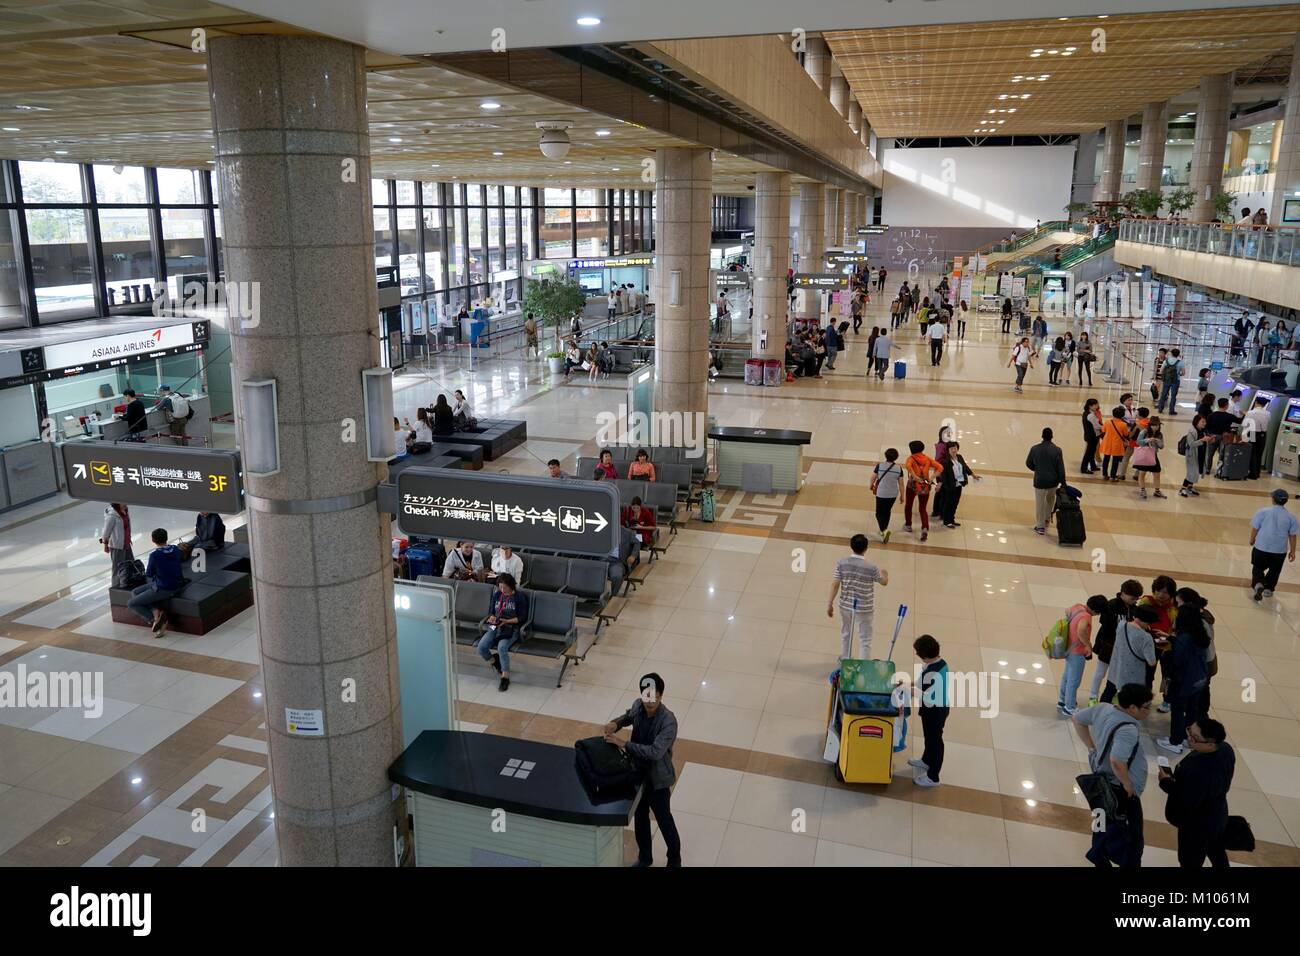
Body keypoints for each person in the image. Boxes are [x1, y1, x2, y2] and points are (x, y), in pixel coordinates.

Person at [1073, 684, 1154, 868]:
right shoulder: (1128, 729)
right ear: (1132, 707)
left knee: (1101, 824)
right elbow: (1117, 761)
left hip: (1101, 785)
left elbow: (1077, 719)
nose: (1149, 711)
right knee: (1133, 838)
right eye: (1146, 707)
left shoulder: (1103, 708)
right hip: (1119, 789)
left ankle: (1099, 859)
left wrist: (1092, 747)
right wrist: (1128, 785)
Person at [605, 673, 681, 867]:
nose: (649, 701)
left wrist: (624, 744)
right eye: (646, 696)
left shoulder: (668, 721)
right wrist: (616, 723)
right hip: (637, 772)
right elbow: (629, 716)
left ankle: (674, 859)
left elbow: (655, 752)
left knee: (664, 820)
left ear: (661, 696)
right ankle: (645, 858)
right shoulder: (639, 705)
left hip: (658, 778)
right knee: (640, 817)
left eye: (654, 696)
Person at [1158, 717, 1235, 869]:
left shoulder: (1201, 769)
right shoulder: (1225, 749)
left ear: (1211, 743)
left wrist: (1166, 782)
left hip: (1196, 824)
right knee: (1216, 849)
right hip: (1217, 814)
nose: (1189, 738)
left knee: (1190, 859)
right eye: (1189, 731)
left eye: (1195, 737)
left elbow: (1187, 799)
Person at [1157, 587, 1212, 755]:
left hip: (1183, 680)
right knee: (1192, 709)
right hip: (1198, 678)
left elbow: (1177, 660)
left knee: (1178, 710)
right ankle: (1189, 737)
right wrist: (1172, 638)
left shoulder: (1185, 638)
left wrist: (1168, 650)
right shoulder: (1200, 634)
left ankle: (1175, 741)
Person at [827, 533, 888, 660]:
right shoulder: (871, 567)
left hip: (845, 606)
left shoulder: (842, 563)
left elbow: (835, 584)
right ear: (866, 548)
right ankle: (863, 666)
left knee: (846, 633)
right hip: (865, 608)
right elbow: (883, 582)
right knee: (865, 639)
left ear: (851, 546)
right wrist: (885, 574)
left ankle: (845, 659)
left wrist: (830, 603)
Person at [1089, 579, 1143, 706]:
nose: (1135, 600)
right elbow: (1105, 624)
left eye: (1137, 598)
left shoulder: (1135, 609)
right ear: (1123, 593)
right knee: (1100, 672)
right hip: (1108, 645)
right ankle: (1092, 696)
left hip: (1124, 648)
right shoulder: (1111, 605)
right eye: (1133, 597)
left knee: (1118, 674)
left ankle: (1114, 695)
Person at [127, 528, 183, 637]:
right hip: (177, 582)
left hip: (164, 587)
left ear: (153, 540)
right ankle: (156, 611)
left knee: (131, 603)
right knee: (135, 591)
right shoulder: (175, 549)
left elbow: (149, 573)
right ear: (166, 537)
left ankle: (155, 621)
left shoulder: (155, 555)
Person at [909, 634, 948, 788]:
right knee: (928, 737)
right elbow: (920, 684)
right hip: (931, 709)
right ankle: (926, 761)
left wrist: (909, 690)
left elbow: (927, 697)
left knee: (935, 741)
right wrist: (909, 684)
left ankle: (933, 777)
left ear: (924, 656)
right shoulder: (940, 663)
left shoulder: (934, 674)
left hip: (936, 711)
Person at [1100, 603, 1159, 703]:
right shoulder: (1146, 637)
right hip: (1133, 675)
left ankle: (1101, 714)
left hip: (1116, 669)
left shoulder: (1121, 625)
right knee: (1130, 702)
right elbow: (1151, 662)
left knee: (1108, 693)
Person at [1058, 596, 1106, 716]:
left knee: (1067, 676)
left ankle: (1062, 700)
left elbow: (1067, 612)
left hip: (1068, 647)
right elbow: (1081, 631)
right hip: (1077, 651)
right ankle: (1069, 707)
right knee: (1074, 680)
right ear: (1096, 611)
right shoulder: (1086, 616)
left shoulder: (1077, 607)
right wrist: (1088, 645)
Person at [1249, 487, 1298, 601]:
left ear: (1273, 499)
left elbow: (1255, 528)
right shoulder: (1291, 517)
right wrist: (1293, 551)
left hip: (1261, 546)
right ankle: (1268, 589)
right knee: (1275, 570)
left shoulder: (1263, 512)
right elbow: (1292, 535)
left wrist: (1252, 539)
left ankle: (1258, 584)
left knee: (1257, 567)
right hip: (1279, 551)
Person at [1026, 427, 1065, 535]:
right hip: (1053, 481)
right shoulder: (1057, 450)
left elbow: (1028, 463)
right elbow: (1060, 467)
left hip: (1039, 480)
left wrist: (1037, 469)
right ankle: (1047, 519)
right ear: (1052, 436)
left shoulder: (1035, 449)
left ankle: (1040, 526)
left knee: (1040, 503)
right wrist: (1063, 481)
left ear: (1042, 436)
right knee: (1050, 500)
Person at [902, 440, 942, 543]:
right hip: (925, 485)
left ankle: (908, 525)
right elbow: (940, 467)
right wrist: (932, 477)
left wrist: (914, 476)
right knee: (922, 508)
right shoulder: (927, 459)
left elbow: (908, 466)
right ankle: (924, 527)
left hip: (912, 485)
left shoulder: (911, 458)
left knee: (909, 505)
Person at [934, 440, 975, 529]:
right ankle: (946, 521)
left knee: (955, 503)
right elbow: (943, 475)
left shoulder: (959, 457)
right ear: (948, 450)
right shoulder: (945, 461)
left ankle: (952, 519)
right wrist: (940, 484)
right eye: (951, 448)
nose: (954, 450)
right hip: (949, 485)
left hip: (959, 484)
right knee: (948, 503)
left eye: (955, 448)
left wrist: (973, 475)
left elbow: (965, 466)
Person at [871, 448, 904, 542]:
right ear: (896, 457)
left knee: (878, 513)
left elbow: (873, 477)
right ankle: (884, 529)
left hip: (881, 493)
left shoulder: (880, 466)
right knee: (887, 511)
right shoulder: (899, 469)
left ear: (886, 455)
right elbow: (901, 484)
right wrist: (902, 495)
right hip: (893, 494)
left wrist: (871, 485)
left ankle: (883, 530)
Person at [100, 503, 134, 589]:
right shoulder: (112, 516)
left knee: (131, 564)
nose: (126, 503)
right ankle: (115, 588)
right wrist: (105, 544)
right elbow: (106, 531)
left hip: (126, 543)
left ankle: (129, 583)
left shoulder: (125, 510)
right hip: (117, 546)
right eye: (124, 502)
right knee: (118, 568)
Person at [1179, 414, 1213, 497]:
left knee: (1196, 472)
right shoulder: (1192, 431)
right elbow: (1191, 444)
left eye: (1205, 422)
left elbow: (1205, 441)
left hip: (1201, 454)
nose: (1204, 423)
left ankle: (1190, 487)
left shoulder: (1203, 431)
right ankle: (1182, 489)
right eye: (1202, 422)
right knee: (1192, 472)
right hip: (1192, 455)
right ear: (1196, 422)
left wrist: (1210, 439)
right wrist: (1202, 440)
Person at [1132, 415, 1166, 500]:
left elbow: (1162, 446)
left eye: (1157, 425)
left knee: (1157, 473)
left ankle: (1157, 491)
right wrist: (1147, 440)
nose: (1156, 427)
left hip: (1153, 455)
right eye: (1154, 425)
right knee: (1142, 473)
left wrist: (1158, 442)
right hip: (1145, 455)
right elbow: (1138, 442)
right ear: (1150, 425)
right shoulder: (1144, 432)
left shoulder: (1159, 434)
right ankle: (1142, 490)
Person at [1098, 404, 1130, 482]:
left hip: (1107, 443)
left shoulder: (1107, 422)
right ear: (1122, 415)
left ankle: (1104, 475)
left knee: (1106, 459)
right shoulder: (1123, 424)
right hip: (1117, 444)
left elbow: (1103, 431)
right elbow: (1125, 434)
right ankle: (1113, 476)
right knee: (1115, 461)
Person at [1245, 395, 1272, 480]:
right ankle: (1257, 472)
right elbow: (1268, 421)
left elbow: (1246, 423)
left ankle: (1253, 474)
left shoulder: (1250, 412)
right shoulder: (1268, 413)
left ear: (1256, 402)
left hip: (1252, 432)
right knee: (1259, 453)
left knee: (1252, 453)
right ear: (1264, 405)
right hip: (1263, 434)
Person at [1156, 347, 1184, 415]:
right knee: (1173, 396)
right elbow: (1183, 373)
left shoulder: (1166, 361)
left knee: (1163, 394)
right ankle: (1171, 410)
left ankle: (1160, 408)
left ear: (1171, 354)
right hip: (1175, 381)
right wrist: (1178, 373)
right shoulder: (1180, 362)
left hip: (1166, 380)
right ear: (1178, 354)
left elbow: (1161, 371)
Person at [1081, 399, 1104, 475]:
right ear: (1090, 406)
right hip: (1092, 436)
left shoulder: (1087, 413)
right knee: (1089, 452)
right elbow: (1097, 426)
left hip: (1092, 435)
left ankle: (1093, 466)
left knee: (1092, 451)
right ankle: (1083, 468)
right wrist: (1105, 427)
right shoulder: (1090, 415)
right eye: (1095, 405)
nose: (1097, 406)